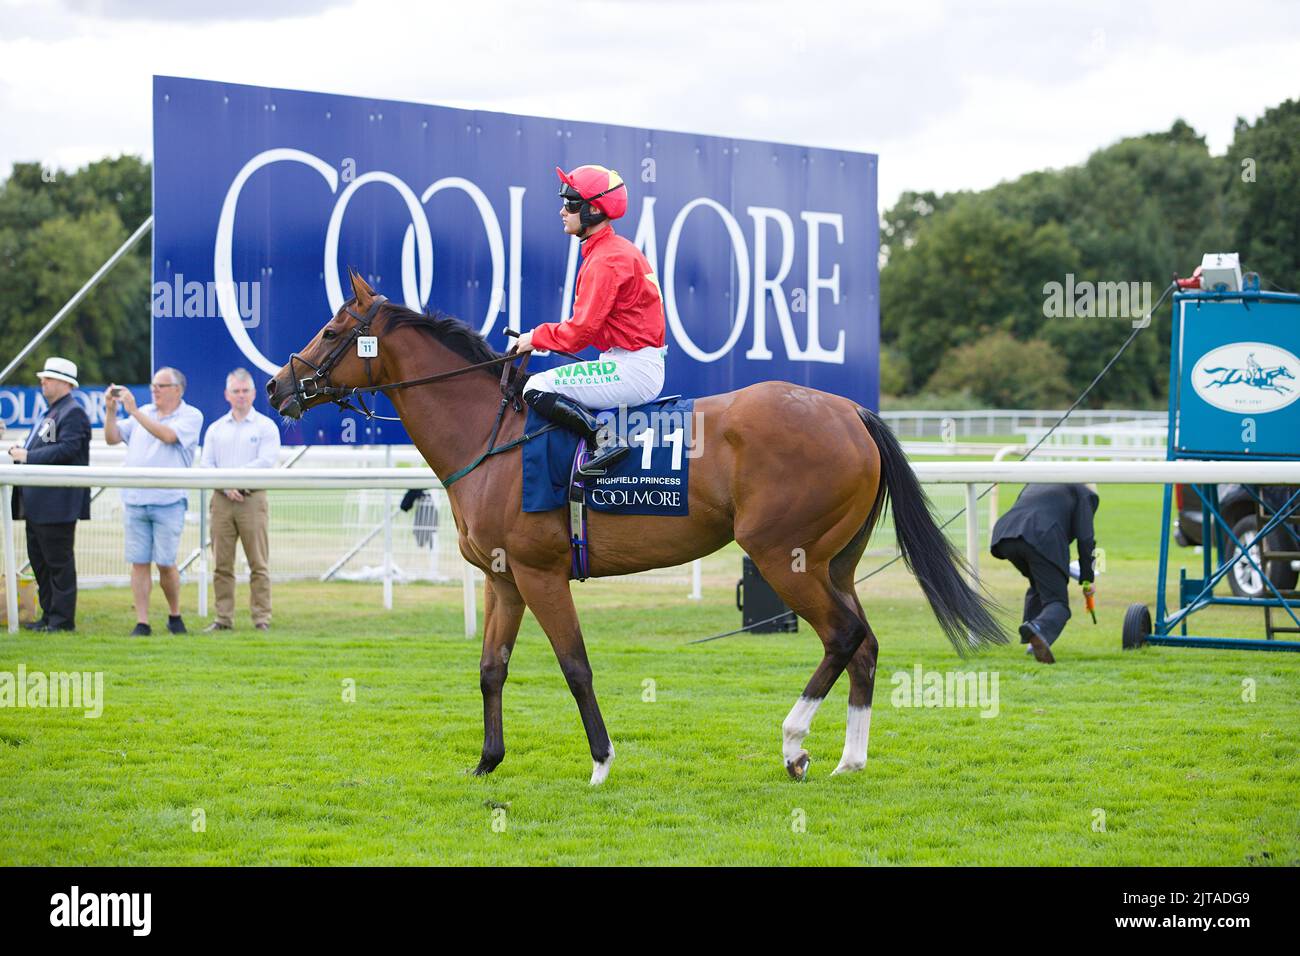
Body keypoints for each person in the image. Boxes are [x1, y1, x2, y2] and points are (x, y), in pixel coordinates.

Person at [512, 163, 667, 476]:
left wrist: (535, 337)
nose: (562, 211)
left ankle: (604, 442)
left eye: (571, 204)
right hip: (631, 361)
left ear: (594, 210)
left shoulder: (607, 259)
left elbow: (578, 333)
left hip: (633, 368)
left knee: (535, 386)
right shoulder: (611, 251)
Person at [104, 368, 204, 636]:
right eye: (153, 385)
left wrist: (134, 412)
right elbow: (112, 438)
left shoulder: (191, 416)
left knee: (165, 562)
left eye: (161, 385)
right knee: (138, 562)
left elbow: (169, 436)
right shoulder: (145, 411)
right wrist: (111, 411)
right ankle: (142, 621)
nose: (155, 389)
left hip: (168, 500)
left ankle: (175, 614)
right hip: (135, 499)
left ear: (177, 389)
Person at [6, 357, 92, 632]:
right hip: (39, 502)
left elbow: (67, 450)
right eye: (43, 377)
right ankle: (49, 615)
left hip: (57, 503)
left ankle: (62, 621)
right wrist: (25, 450)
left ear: (66, 383)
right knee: (41, 563)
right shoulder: (52, 412)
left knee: (58, 563)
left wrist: (27, 455)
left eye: (49, 378)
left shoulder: (73, 412)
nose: (43, 382)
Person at [199, 369, 281, 632]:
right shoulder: (216, 429)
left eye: (245, 391)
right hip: (221, 501)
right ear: (227, 395)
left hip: (253, 500)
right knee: (222, 564)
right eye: (236, 391)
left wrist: (237, 483)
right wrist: (226, 486)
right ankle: (223, 619)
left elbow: (266, 462)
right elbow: (206, 464)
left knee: (258, 563)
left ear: (254, 394)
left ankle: (261, 618)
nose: (241, 396)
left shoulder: (265, 427)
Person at [990, 483, 1099, 664]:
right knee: (1058, 603)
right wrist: (1088, 578)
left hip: (1005, 535)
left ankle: (1033, 643)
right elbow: (1085, 538)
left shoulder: (1036, 483)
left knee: (1039, 585)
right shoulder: (1084, 493)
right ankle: (1037, 628)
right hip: (1042, 535)